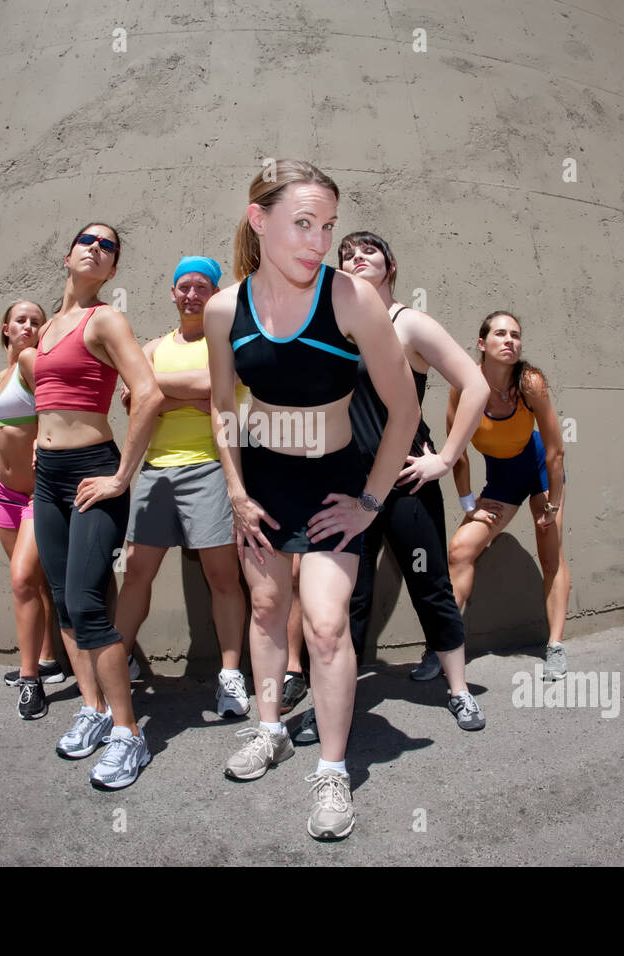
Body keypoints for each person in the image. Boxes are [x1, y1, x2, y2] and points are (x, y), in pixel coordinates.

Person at [204, 161, 420, 840]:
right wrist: (236, 492)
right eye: (303, 223)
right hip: (263, 482)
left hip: (334, 483)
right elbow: (220, 408)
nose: (319, 241)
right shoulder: (222, 309)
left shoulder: (353, 298)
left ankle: (331, 770)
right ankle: (269, 730)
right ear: (258, 219)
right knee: (267, 610)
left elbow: (406, 409)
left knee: (325, 626)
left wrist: (370, 501)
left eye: (327, 225)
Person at [292, 231, 491, 738]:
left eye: (368, 253)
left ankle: (459, 690)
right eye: (348, 255)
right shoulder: (336, 327)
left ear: (391, 265)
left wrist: (445, 459)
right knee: (345, 600)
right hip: (344, 488)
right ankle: (330, 706)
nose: (356, 259)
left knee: (431, 586)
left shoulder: (409, 323)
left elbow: (476, 384)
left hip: (404, 482)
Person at [19, 223, 163, 790]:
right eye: (88, 240)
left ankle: (130, 735)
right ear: (68, 254)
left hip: (92, 472)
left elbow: (147, 393)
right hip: (49, 477)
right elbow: (47, 400)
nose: (97, 248)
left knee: (87, 600)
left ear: (112, 271)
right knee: (63, 600)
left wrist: (122, 475)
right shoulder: (47, 331)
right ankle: (95, 709)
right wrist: (39, 440)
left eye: (109, 248)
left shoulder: (105, 319)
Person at [114, 256, 250, 718]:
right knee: (135, 574)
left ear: (214, 294)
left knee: (223, 579)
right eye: (184, 287)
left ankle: (230, 676)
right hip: (154, 472)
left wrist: (158, 391)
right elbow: (136, 402)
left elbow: (220, 387)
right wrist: (186, 391)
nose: (192, 294)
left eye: (202, 287)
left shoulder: (226, 342)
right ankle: (119, 662)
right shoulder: (151, 348)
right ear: (173, 293)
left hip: (211, 468)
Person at [447, 311, 570, 681]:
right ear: (482, 344)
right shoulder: (465, 386)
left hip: (540, 470)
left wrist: (553, 503)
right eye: (500, 334)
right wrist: (469, 505)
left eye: (515, 335)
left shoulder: (529, 383)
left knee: (551, 556)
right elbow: (457, 453)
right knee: (459, 551)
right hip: (502, 480)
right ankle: (445, 647)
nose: (509, 340)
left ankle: (556, 646)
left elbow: (555, 451)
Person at [0, 300, 66, 720]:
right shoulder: (3, 375)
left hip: (38, 494)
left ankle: (29, 678)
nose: (29, 326)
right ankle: (48, 659)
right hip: (5, 493)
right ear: (6, 328)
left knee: (21, 581)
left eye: (36, 321)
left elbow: (53, 410)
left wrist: (42, 440)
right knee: (33, 584)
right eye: (21, 320)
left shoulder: (33, 362)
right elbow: (2, 427)